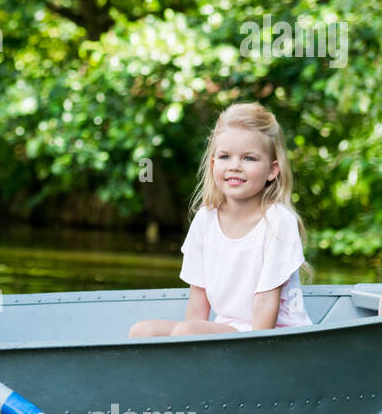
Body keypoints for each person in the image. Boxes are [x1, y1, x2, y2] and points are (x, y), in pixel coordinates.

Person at [128, 102, 312, 338]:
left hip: (274, 334)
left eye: (249, 159)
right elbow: (198, 298)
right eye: (225, 157)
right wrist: (190, 344)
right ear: (214, 164)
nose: (234, 166)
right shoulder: (205, 219)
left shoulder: (278, 222)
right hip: (231, 327)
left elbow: (266, 301)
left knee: (186, 330)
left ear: (272, 170)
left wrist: (255, 349)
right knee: (142, 331)